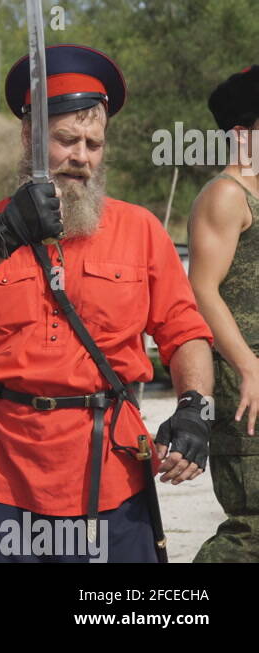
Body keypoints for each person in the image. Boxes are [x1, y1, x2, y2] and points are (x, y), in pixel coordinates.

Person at [0, 44, 214, 562]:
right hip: (2, 471)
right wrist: (2, 235)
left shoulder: (140, 230)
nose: (81, 157)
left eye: (94, 143)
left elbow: (184, 331)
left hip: (110, 470)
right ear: (30, 139)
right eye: (67, 140)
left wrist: (194, 408)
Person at [188, 65, 259, 562]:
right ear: (242, 133)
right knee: (251, 526)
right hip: (246, 380)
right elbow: (202, 289)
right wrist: (249, 367)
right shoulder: (227, 194)